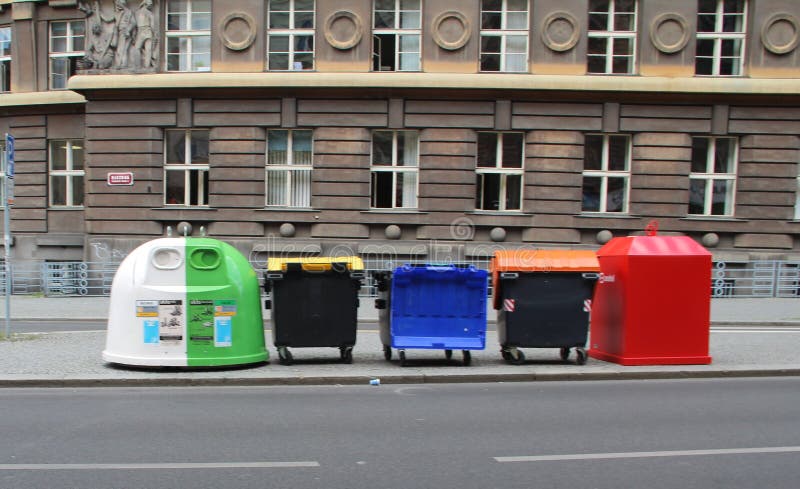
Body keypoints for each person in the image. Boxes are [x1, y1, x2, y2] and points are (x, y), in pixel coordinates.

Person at [134, 0, 155, 69]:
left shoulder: (137, 13)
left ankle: (137, 66)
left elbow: (134, 24)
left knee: (137, 48)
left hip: (140, 31)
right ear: (145, 4)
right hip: (147, 31)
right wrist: (155, 34)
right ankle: (146, 66)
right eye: (150, 4)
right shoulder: (149, 13)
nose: (151, 5)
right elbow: (152, 26)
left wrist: (134, 34)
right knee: (148, 50)